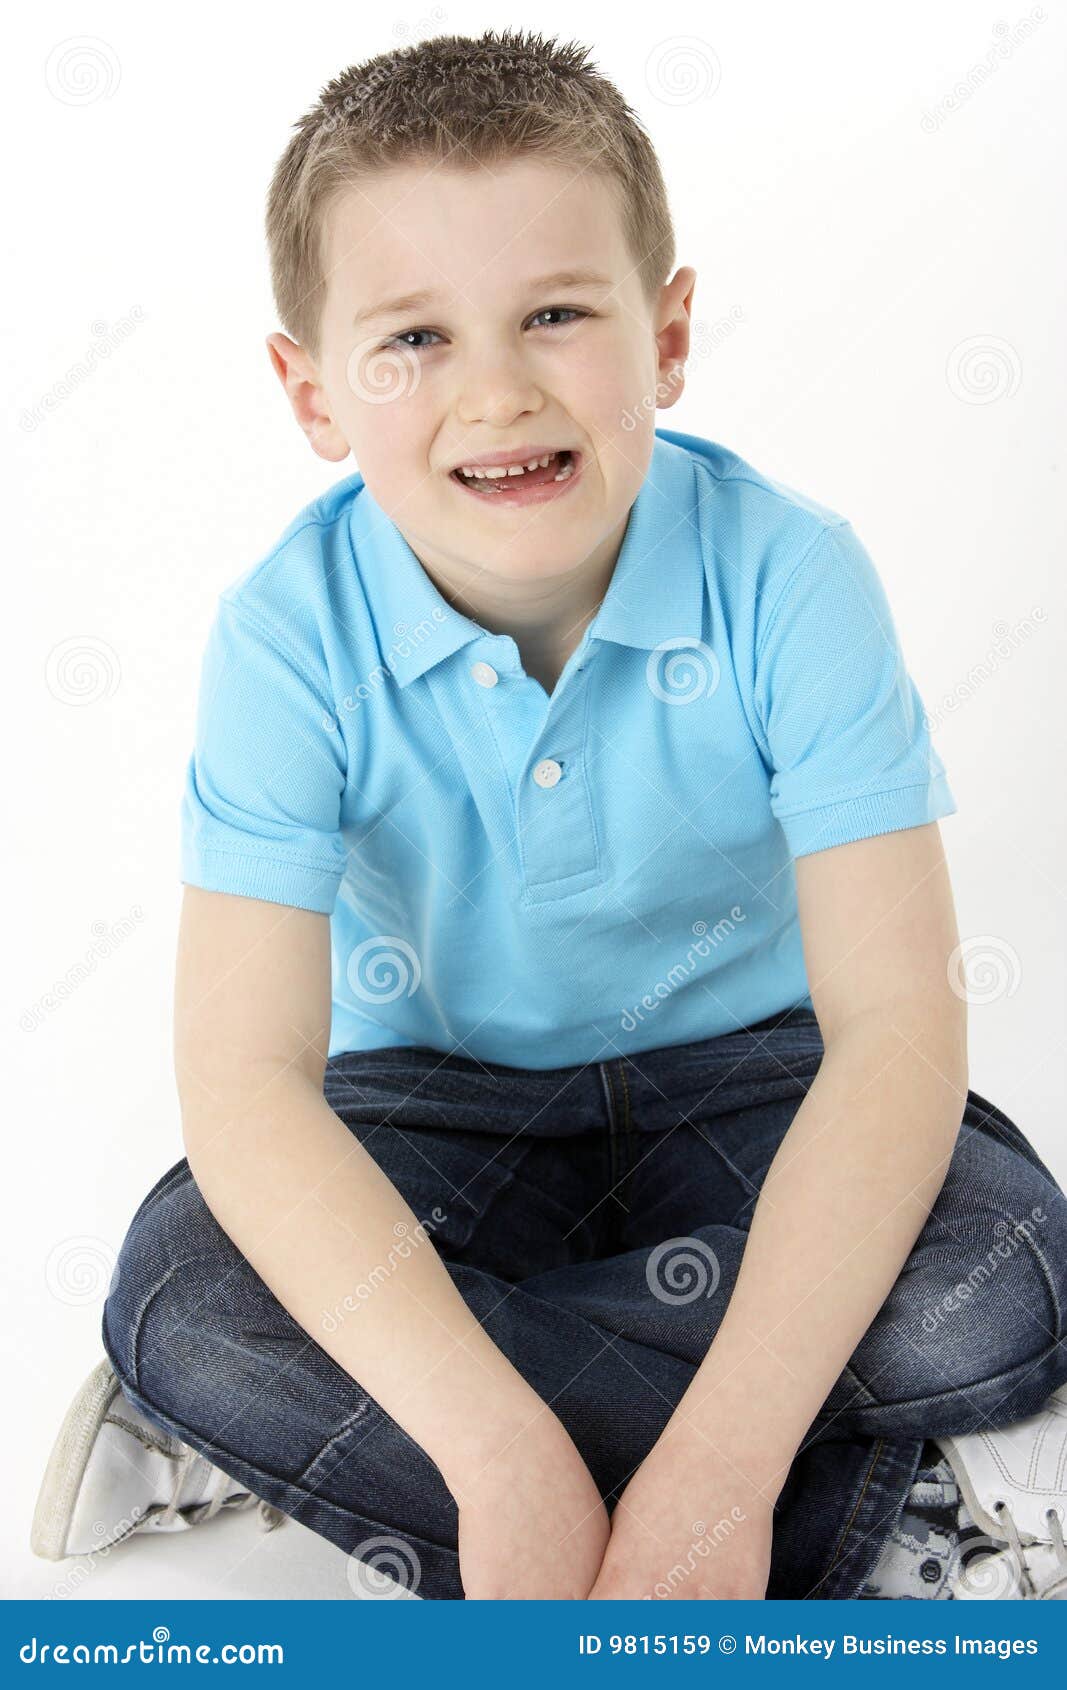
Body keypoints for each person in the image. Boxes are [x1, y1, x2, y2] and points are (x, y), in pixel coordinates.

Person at [31, 28, 1067, 1601]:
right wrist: (498, 1448)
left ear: (669, 334)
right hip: (439, 1119)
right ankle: (869, 1493)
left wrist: (718, 1465)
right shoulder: (285, 634)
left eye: (559, 314)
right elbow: (246, 1082)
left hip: (758, 1093)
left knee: (1005, 1274)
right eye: (415, 340)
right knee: (185, 1297)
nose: (498, 389)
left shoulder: (792, 576)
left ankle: (357, 1453)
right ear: (309, 392)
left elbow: (895, 1040)